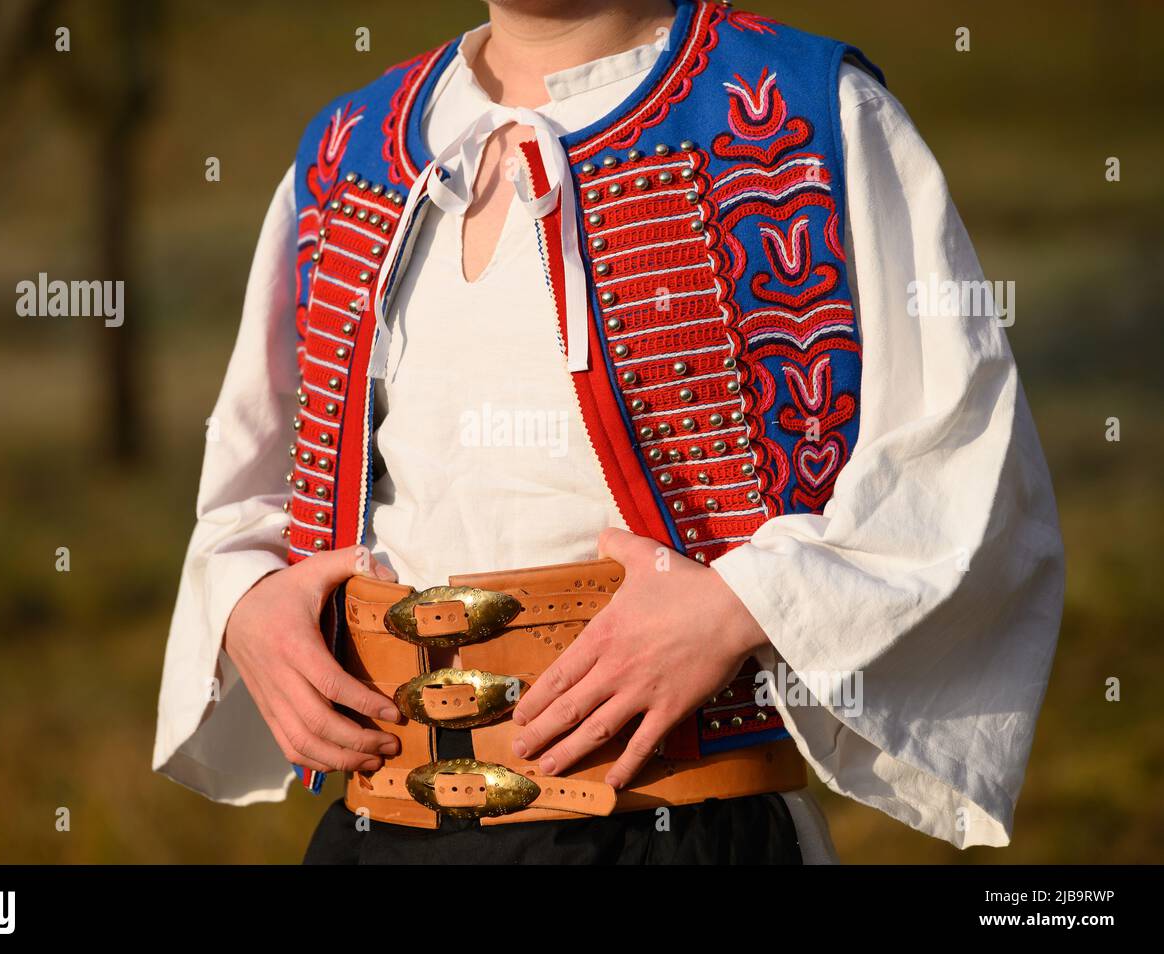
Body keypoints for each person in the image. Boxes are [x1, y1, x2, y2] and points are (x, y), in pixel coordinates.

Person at [153, 0, 1064, 864]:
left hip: (679, 828)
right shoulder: (348, 150)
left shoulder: (805, 109)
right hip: (375, 831)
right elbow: (251, 484)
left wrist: (741, 606)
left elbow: (962, 459)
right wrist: (245, 607)